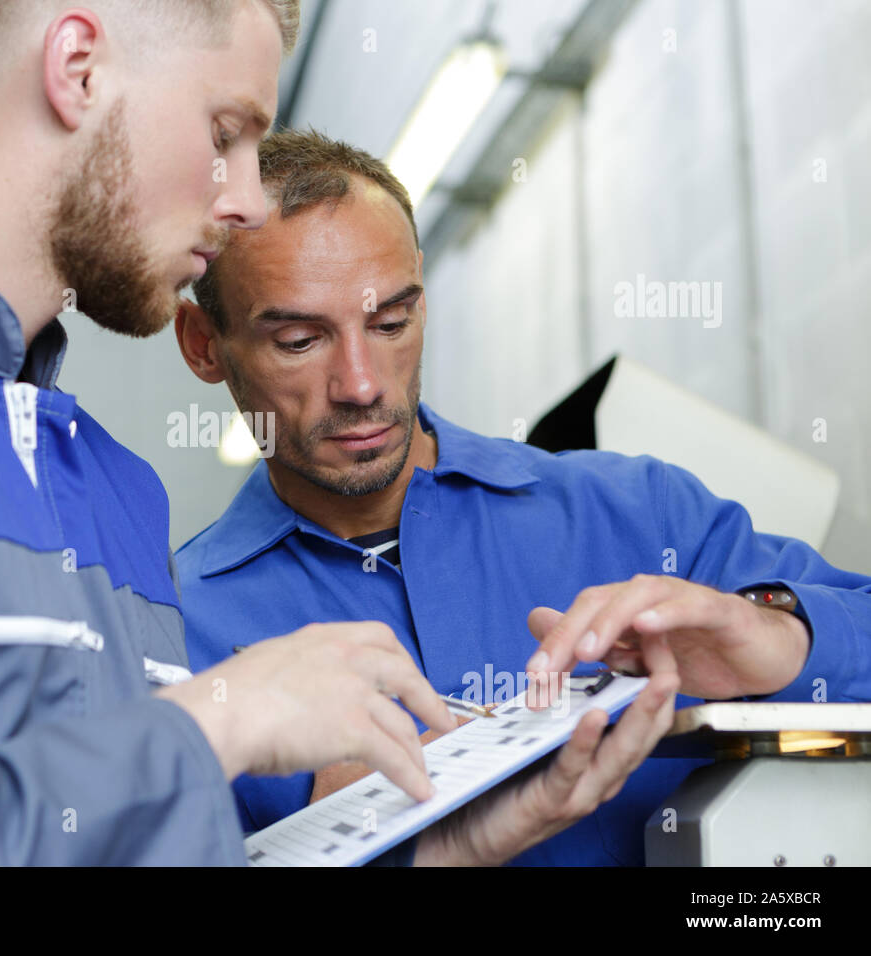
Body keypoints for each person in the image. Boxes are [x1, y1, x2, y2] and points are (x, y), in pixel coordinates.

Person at [0, 0, 672, 866]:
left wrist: (439, 849)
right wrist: (225, 716)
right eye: (227, 133)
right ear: (79, 70)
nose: (243, 198)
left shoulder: (106, 478)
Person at [173, 127, 871, 865]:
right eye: (300, 341)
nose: (362, 384)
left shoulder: (640, 514)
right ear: (202, 344)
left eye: (390, 323)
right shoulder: (172, 636)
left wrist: (785, 640)